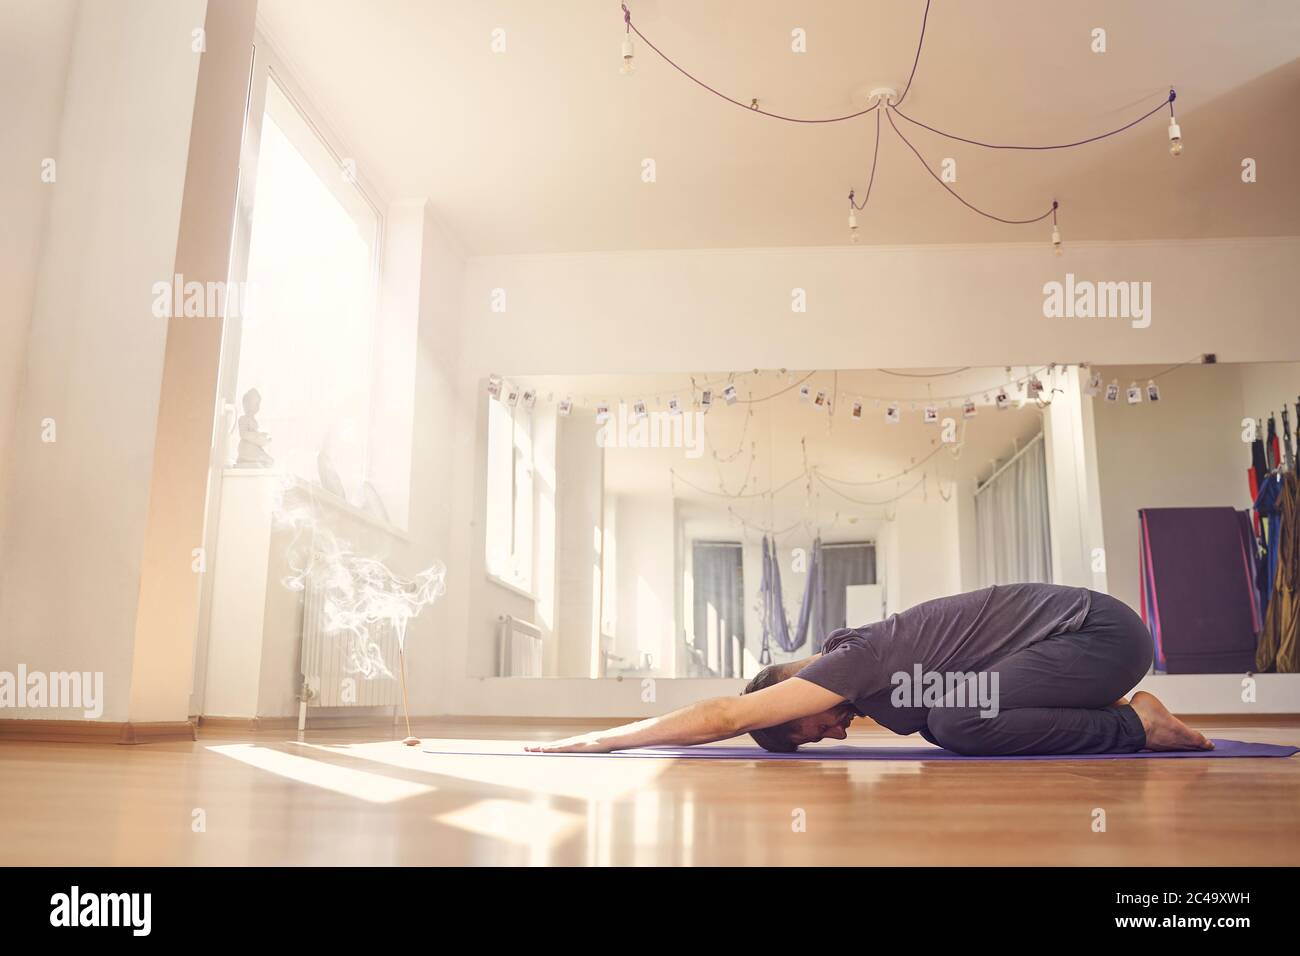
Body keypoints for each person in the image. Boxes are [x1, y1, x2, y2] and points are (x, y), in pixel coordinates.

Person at [527, 583, 1213, 755]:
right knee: (949, 720)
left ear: (793, 699)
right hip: (1086, 644)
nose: (838, 733)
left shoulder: (851, 661)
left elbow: (724, 717)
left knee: (957, 719)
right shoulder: (871, 679)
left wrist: (599, 740)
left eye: (813, 729)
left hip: (1098, 632)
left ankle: (1139, 728)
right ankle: (1127, 720)